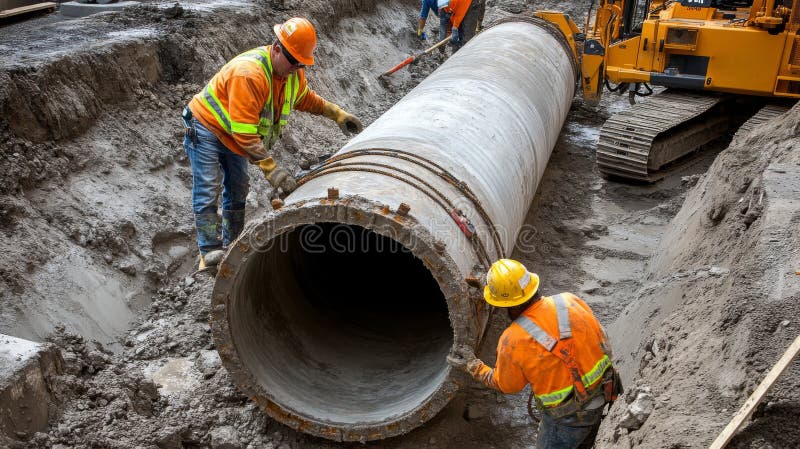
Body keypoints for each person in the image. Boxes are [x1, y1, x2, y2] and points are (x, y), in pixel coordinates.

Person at [182, 17, 363, 269]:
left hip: (234, 133)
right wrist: (273, 171)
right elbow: (245, 134)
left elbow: (305, 98)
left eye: (302, 63)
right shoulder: (250, 74)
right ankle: (209, 252)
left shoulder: (291, 73)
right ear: (276, 48)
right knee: (207, 187)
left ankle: (231, 245)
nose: (297, 67)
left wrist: (336, 113)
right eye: (293, 61)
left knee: (238, 187)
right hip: (206, 127)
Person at [448, 259, 623, 449]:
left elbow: (507, 385)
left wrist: (473, 366)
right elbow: (602, 340)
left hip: (568, 418)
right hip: (607, 391)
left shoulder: (512, 340)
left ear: (505, 303)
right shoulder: (569, 300)